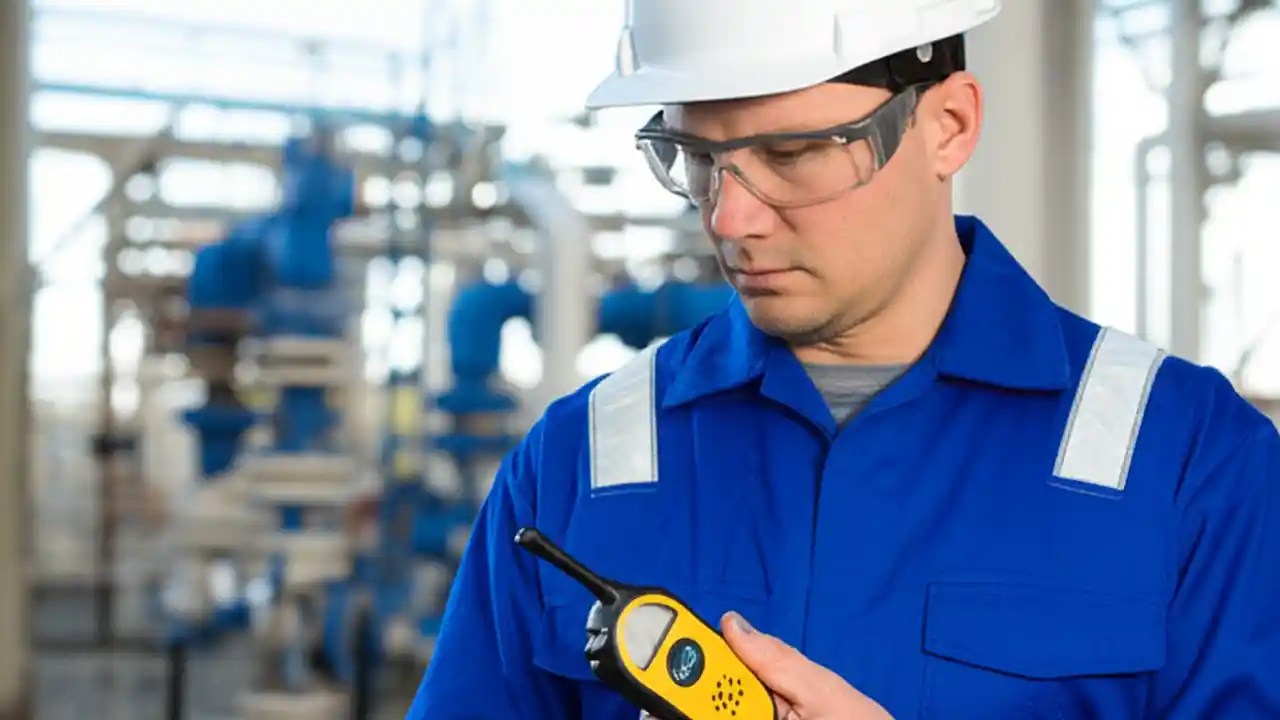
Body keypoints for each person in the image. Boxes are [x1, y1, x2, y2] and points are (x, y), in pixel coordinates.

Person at [407, 0, 1280, 717]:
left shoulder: (1190, 463)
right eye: (697, 157)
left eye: (791, 154)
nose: (729, 218)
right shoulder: (576, 463)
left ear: (949, 126)